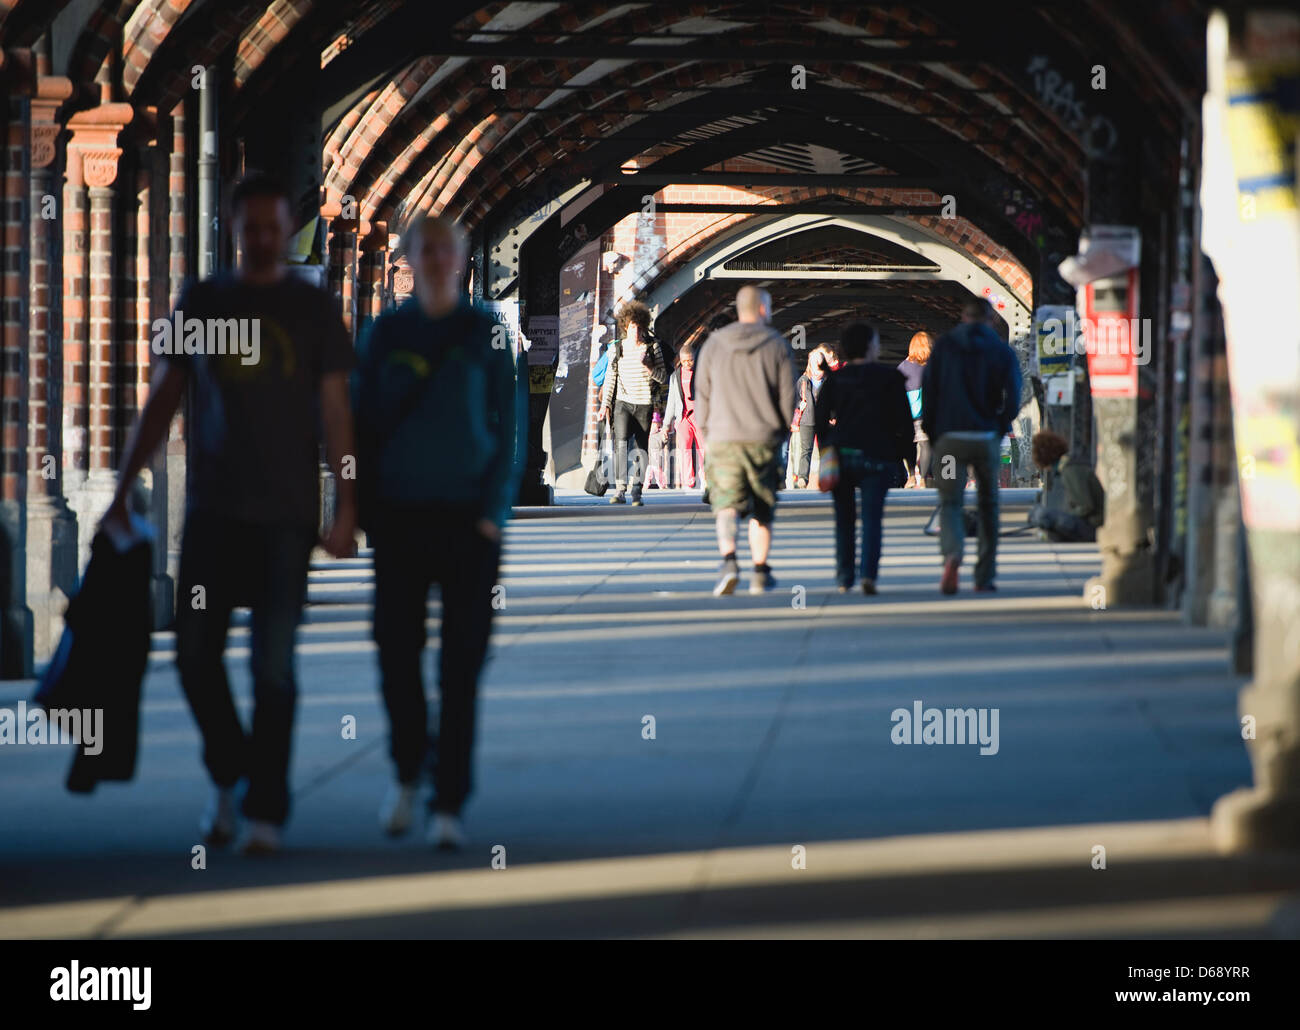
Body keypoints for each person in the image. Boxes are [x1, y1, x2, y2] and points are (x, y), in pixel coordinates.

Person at [101, 172, 358, 855]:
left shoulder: (313, 311)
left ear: (287, 231)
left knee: (272, 668)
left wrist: (346, 505)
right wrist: (122, 488)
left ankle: (263, 808)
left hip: (286, 518)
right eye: (254, 230)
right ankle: (231, 772)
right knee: (191, 656)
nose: (266, 241)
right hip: (213, 511)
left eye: (276, 229)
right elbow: (164, 397)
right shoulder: (206, 301)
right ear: (234, 231)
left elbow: (337, 413)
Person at [353, 214, 521, 851]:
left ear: (461, 258)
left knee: (461, 666)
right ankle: (406, 769)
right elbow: (363, 422)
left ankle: (449, 798)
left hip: (467, 521)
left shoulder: (484, 332)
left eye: (447, 250)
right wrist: (364, 509)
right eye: (425, 250)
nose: (437, 259)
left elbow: (507, 422)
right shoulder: (386, 333)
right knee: (396, 653)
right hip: (399, 516)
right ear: (407, 258)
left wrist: (493, 511)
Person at [695, 285, 797, 595]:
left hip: (723, 439)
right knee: (762, 507)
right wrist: (780, 432)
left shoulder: (713, 345)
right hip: (762, 439)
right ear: (763, 309)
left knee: (726, 505)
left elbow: (702, 396)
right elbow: (787, 397)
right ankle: (761, 572)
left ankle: (728, 562)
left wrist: (708, 435)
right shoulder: (777, 345)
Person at [921, 297, 1023, 595]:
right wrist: (1000, 423)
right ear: (990, 318)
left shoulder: (944, 347)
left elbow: (930, 391)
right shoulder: (1001, 350)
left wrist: (934, 430)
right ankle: (984, 576)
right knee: (988, 504)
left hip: (950, 440)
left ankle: (952, 554)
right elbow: (1014, 394)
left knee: (951, 502)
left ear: (963, 316)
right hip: (985, 438)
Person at [816, 324, 914, 594]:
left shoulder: (835, 380)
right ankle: (868, 574)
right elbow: (904, 424)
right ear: (873, 346)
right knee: (872, 518)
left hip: (842, 457)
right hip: (878, 456)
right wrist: (901, 456)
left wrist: (828, 448)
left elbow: (821, 422)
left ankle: (844, 577)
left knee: (844, 519)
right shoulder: (890, 378)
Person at [596, 300, 667, 505]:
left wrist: (649, 368)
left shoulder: (653, 349)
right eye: (632, 326)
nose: (635, 331)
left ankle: (637, 490)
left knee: (641, 448)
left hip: (644, 403)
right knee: (621, 443)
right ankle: (620, 490)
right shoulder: (617, 349)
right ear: (626, 326)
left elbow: (663, 378)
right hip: (623, 403)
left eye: (639, 327)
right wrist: (605, 406)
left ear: (644, 328)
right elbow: (611, 379)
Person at [1028, 429, 1105, 542]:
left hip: (1093, 527)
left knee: (1043, 515)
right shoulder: (1069, 466)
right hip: (1090, 524)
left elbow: (1086, 506)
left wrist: (1065, 515)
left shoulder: (1071, 470)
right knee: (1037, 513)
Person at [663, 339, 705, 489]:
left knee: (703, 449)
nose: (688, 364)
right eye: (684, 361)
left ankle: (705, 477)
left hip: (699, 416)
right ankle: (689, 480)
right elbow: (672, 402)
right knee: (684, 449)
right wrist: (665, 425)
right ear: (680, 360)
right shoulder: (676, 376)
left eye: (690, 360)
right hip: (683, 417)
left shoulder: (701, 373)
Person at [790, 347, 830, 488]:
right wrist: (798, 404)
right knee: (806, 450)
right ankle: (802, 478)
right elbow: (793, 398)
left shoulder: (828, 380)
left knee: (825, 449)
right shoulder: (803, 380)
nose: (817, 364)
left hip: (825, 420)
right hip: (807, 419)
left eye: (819, 361)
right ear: (810, 363)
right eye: (814, 361)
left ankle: (827, 477)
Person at [897, 331, 933, 488]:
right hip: (926, 413)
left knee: (909, 446)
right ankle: (924, 478)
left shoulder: (903, 367)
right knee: (925, 445)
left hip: (906, 414)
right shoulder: (931, 368)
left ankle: (911, 476)